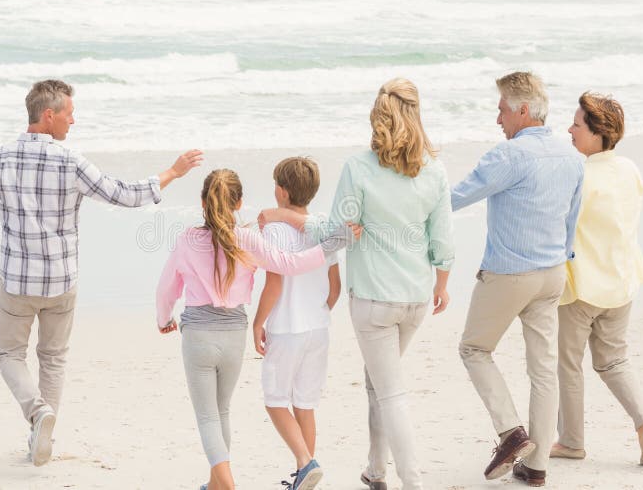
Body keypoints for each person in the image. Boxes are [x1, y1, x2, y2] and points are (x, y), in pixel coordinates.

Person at [0, 79, 203, 466]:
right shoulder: (70, 161)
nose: (74, 120)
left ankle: (37, 416)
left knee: (7, 353)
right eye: (68, 113)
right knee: (53, 358)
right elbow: (123, 194)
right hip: (61, 281)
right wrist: (171, 172)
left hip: (17, 281)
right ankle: (41, 431)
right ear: (48, 115)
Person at [260, 78, 455, 490]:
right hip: (418, 297)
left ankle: (412, 481)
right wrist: (442, 283)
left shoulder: (360, 168)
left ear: (378, 118)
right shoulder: (434, 170)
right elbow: (443, 240)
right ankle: (376, 469)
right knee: (378, 381)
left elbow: (337, 234)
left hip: (374, 301)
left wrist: (285, 217)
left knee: (390, 391)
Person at [156, 169, 350, 490]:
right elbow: (288, 264)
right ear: (240, 202)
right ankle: (216, 485)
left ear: (203, 202)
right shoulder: (247, 238)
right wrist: (330, 245)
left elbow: (166, 290)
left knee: (207, 417)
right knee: (222, 411)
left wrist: (164, 319)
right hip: (234, 335)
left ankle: (227, 485)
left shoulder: (189, 238)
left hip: (199, 336)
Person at [451, 71, 583, 487]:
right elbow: (571, 222)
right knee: (543, 370)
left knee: (474, 348)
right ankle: (537, 464)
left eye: (502, 110)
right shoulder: (572, 157)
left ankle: (511, 433)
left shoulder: (508, 156)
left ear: (523, 110)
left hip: (510, 274)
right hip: (552, 274)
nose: (498, 121)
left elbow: (454, 199)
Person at [551, 92, 643, 466]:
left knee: (568, 364)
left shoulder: (580, 174)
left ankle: (571, 441)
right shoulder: (630, 168)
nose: (569, 129)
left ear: (597, 132)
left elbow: (559, 228)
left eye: (577, 124)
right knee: (613, 360)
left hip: (582, 288)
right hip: (622, 281)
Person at [252, 157, 342, 489]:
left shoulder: (273, 229)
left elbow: (273, 283)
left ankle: (306, 463)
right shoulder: (322, 226)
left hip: (286, 327)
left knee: (275, 400)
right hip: (318, 328)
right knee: (305, 404)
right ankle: (306, 476)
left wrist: (257, 322)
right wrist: (320, 310)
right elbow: (335, 287)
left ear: (283, 191)